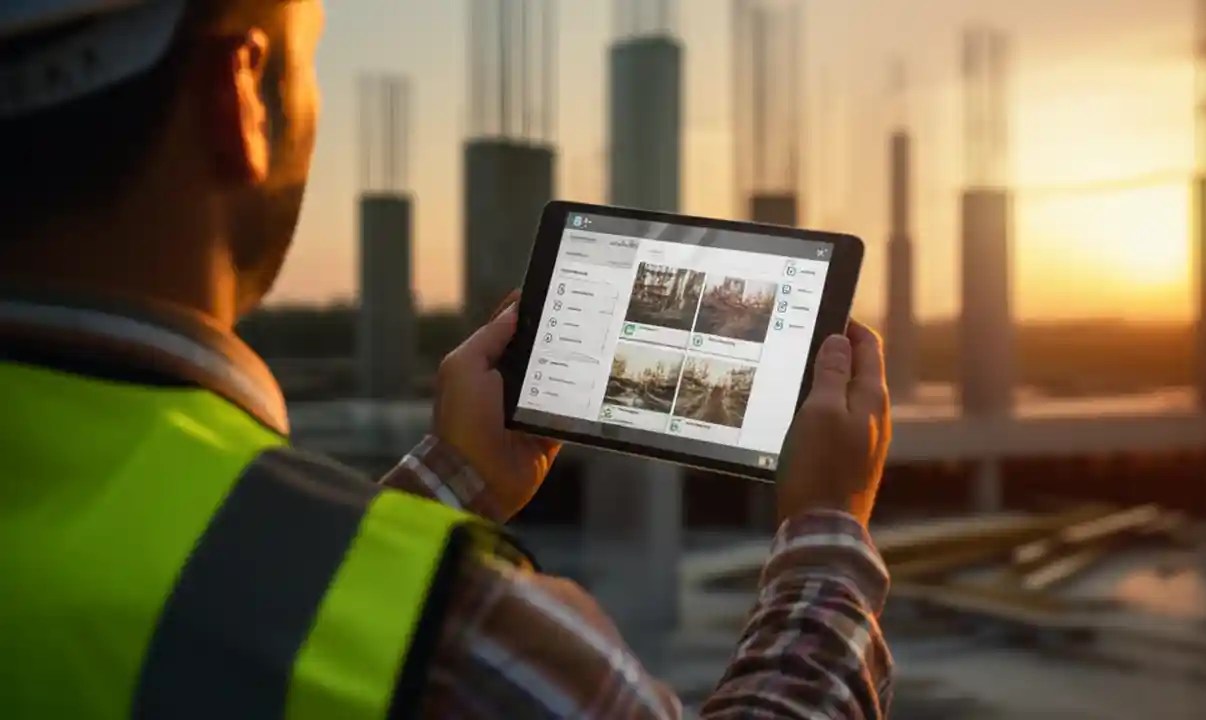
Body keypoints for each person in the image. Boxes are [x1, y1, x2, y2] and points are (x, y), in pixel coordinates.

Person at [0, 0, 895, 718]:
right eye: (305, 53)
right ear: (239, 95)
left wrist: (453, 478)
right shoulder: (463, 641)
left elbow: (222, 608)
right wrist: (826, 532)